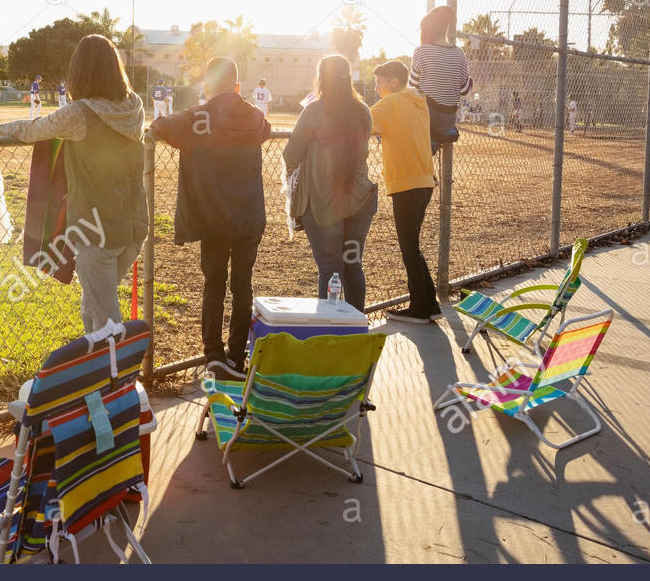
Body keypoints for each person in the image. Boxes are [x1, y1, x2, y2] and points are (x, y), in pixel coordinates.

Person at [0, 35, 147, 333]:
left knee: (105, 319)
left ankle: (117, 377)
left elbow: (33, 129)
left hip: (96, 230)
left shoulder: (81, 113)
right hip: (133, 223)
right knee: (94, 304)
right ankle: (99, 369)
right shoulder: (135, 106)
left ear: (80, 71)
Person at [152, 57, 271, 377]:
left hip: (215, 217)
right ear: (236, 86)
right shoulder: (253, 115)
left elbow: (161, 126)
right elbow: (266, 127)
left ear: (206, 87)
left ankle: (214, 354)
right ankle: (236, 356)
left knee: (215, 284)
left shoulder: (199, 117)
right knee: (242, 285)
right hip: (248, 215)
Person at [283, 54, 378, 311]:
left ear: (322, 78)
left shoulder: (314, 111)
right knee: (351, 264)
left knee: (330, 267)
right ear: (349, 77)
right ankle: (356, 327)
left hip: (324, 202)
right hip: (359, 198)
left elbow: (291, 153)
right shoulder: (363, 111)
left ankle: (330, 328)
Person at [370, 60, 439, 323]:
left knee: (409, 247)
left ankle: (420, 307)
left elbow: (361, 122)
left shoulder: (391, 103)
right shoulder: (416, 101)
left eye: (380, 81)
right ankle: (428, 303)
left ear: (395, 82)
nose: (377, 86)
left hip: (407, 184)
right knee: (412, 246)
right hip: (423, 181)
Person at [410, 6, 471, 153]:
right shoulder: (458, 53)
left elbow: (412, 87)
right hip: (449, 120)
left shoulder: (421, 51)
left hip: (427, 119)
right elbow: (464, 90)